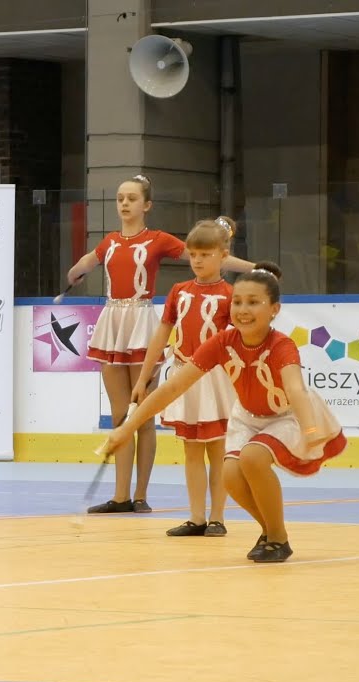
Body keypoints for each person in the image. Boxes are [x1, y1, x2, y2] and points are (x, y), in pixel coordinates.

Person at [105, 263, 347, 563]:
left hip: (289, 415)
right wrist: (127, 428)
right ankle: (273, 534)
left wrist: (310, 431)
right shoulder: (222, 342)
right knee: (231, 476)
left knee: (254, 457)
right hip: (247, 417)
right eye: (238, 301)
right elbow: (172, 388)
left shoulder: (282, 345)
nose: (243, 309)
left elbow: (296, 390)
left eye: (254, 302)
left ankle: (277, 537)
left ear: (274, 309)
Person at [67, 176, 254, 514]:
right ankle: (121, 495)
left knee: (144, 414)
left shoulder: (157, 240)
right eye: (120, 198)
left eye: (132, 198)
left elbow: (209, 256)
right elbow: (87, 262)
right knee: (121, 415)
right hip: (112, 323)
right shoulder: (108, 242)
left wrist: (256, 269)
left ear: (147, 205)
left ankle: (140, 495)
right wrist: (75, 272)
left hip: (139, 321)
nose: (124, 204)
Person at [131, 217, 237, 537]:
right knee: (191, 449)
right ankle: (196, 517)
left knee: (217, 451)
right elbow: (162, 333)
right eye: (192, 255)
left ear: (223, 255)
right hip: (183, 374)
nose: (198, 260)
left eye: (205, 254)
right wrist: (143, 377)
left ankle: (217, 517)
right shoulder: (178, 292)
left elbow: (239, 341)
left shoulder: (230, 294)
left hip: (214, 378)